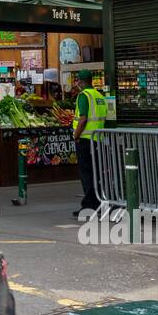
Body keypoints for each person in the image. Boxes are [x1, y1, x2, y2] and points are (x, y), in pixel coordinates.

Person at [72, 69, 108, 218]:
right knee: (96, 173)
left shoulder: (83, 96)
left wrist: (76, 135)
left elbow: (83, 119)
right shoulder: (99, 96)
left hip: (85, 140)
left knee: (86, 174)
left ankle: (89, 206)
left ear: (80, 81)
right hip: (98, 139)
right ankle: (98, 202)